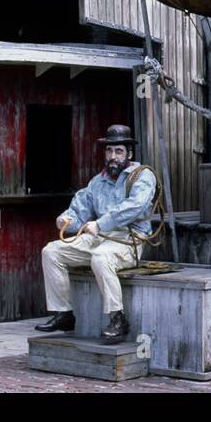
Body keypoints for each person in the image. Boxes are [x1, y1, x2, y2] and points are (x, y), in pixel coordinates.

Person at [35, 125, 158, 344]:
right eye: (109, 151)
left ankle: (117, 318)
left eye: (118, 151)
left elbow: (136, 206)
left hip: (129, 240)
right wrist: (65, 219)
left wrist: (101, 224)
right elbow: (80, 209)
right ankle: (64, 314)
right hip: (98, 238)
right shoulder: (97, 182)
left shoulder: (143, 176)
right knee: (52, 251)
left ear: (129, 154)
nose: (113, 157)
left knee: (102, 257)